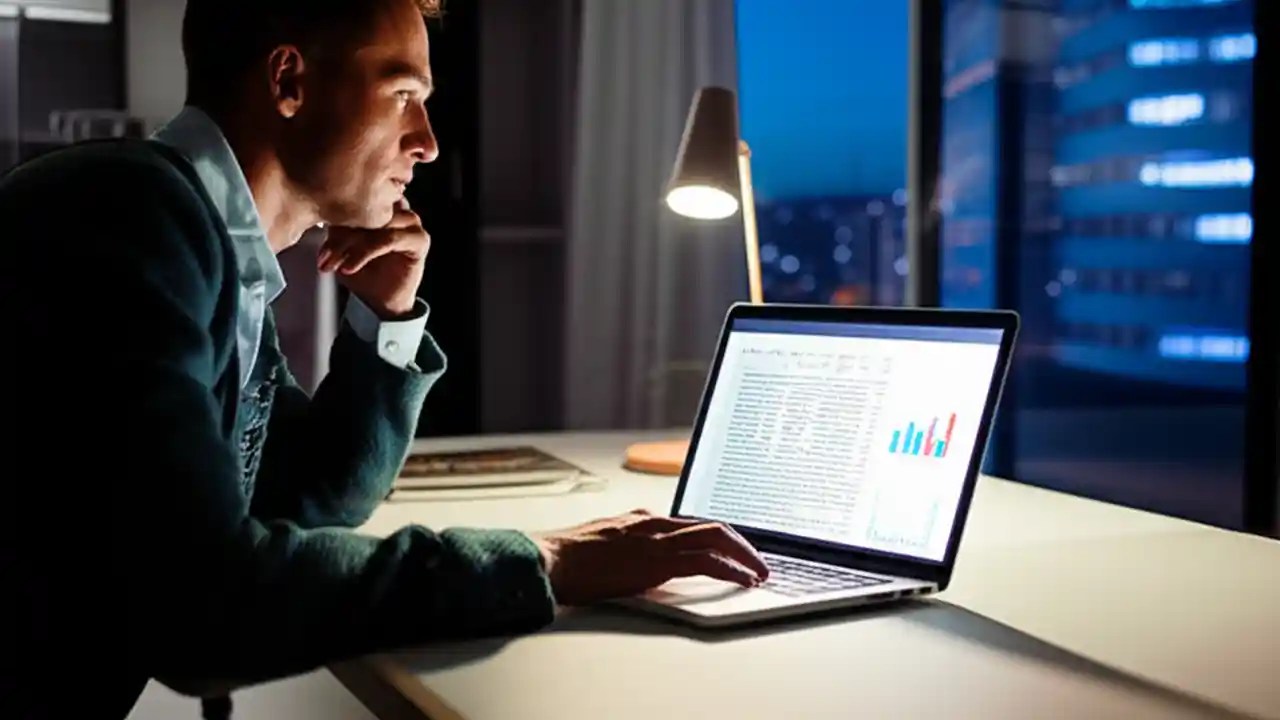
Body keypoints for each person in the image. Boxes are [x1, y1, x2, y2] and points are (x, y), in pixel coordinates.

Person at [0, 0, 769, 717]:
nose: (427, 141)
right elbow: (203, 608)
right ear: (289, 81)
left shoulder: (203, 242)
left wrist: (387, 315)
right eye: (403, 95)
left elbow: (310, 496)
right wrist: (546, 560)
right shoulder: (127, 218)